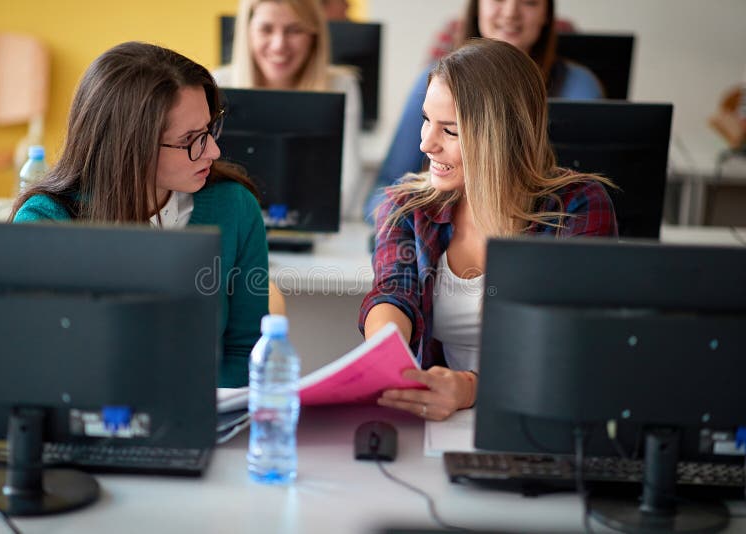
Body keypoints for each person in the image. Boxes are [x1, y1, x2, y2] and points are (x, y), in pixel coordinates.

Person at [358, 39, 618, 421]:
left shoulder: (578, 206)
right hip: (442, 418)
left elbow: (570, 345)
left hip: (545, 416)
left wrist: (470, 387)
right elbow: (394, 292)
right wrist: (386, 355)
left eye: (450, 131)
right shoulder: (406, 205)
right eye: (426, 120)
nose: (426, 144)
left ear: (502, 136)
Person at [11, 41, 268, 388]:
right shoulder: (45, 224)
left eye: (209, 130)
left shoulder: (235, 206)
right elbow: (34, 363)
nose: (214, 150)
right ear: (129, 146)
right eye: (191, 139)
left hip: (205, 422)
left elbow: (244, 354)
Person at [365, 0, 603, 219]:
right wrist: (403, 229)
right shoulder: (436, 83)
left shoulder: (578, 86)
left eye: (529, 1)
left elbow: (589, 197)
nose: (511, 12)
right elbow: (387, 188)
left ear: (546, 15)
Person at [215, 0, 364, 219]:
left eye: (294, 30)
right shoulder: (215, 84)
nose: (278, 45)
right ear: (247, 32)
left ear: (314, 35)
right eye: (266, 29)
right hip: (234, 224)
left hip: (313, 233)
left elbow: (347, 185)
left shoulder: (342, 86)